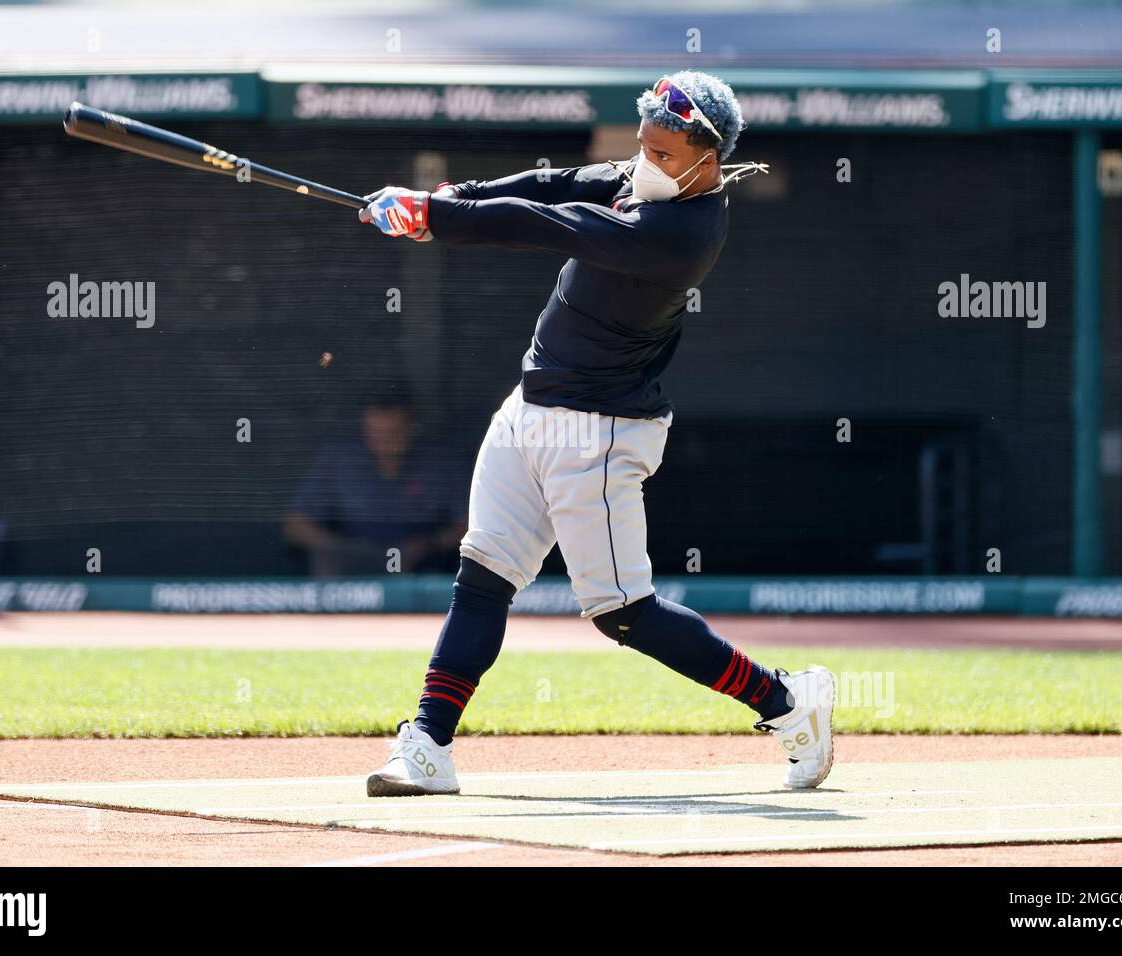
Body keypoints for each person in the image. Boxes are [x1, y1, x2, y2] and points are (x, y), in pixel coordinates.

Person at [356, 72, 835, 796]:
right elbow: (551, 186)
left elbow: (550, 225)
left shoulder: (681, 232)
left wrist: (434, 215)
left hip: (602, 436)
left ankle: (789, 704)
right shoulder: (644, 181)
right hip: (529, 412)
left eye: (664, 152)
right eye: (643, 146)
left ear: (707, 158)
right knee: (482, 579)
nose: (645, 162)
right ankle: (426, 745)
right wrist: (454, 199)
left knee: (621, 614)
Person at [282, 387, 467, 576]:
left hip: (427, 572)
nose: (385, 441)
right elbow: (296, 526)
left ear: (413, 427)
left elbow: (472, 526)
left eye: (394, 433)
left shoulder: (443, 463)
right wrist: (345, 549)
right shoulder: (338, 461)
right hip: (350, 576)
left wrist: (429, 544)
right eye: (376, 433)